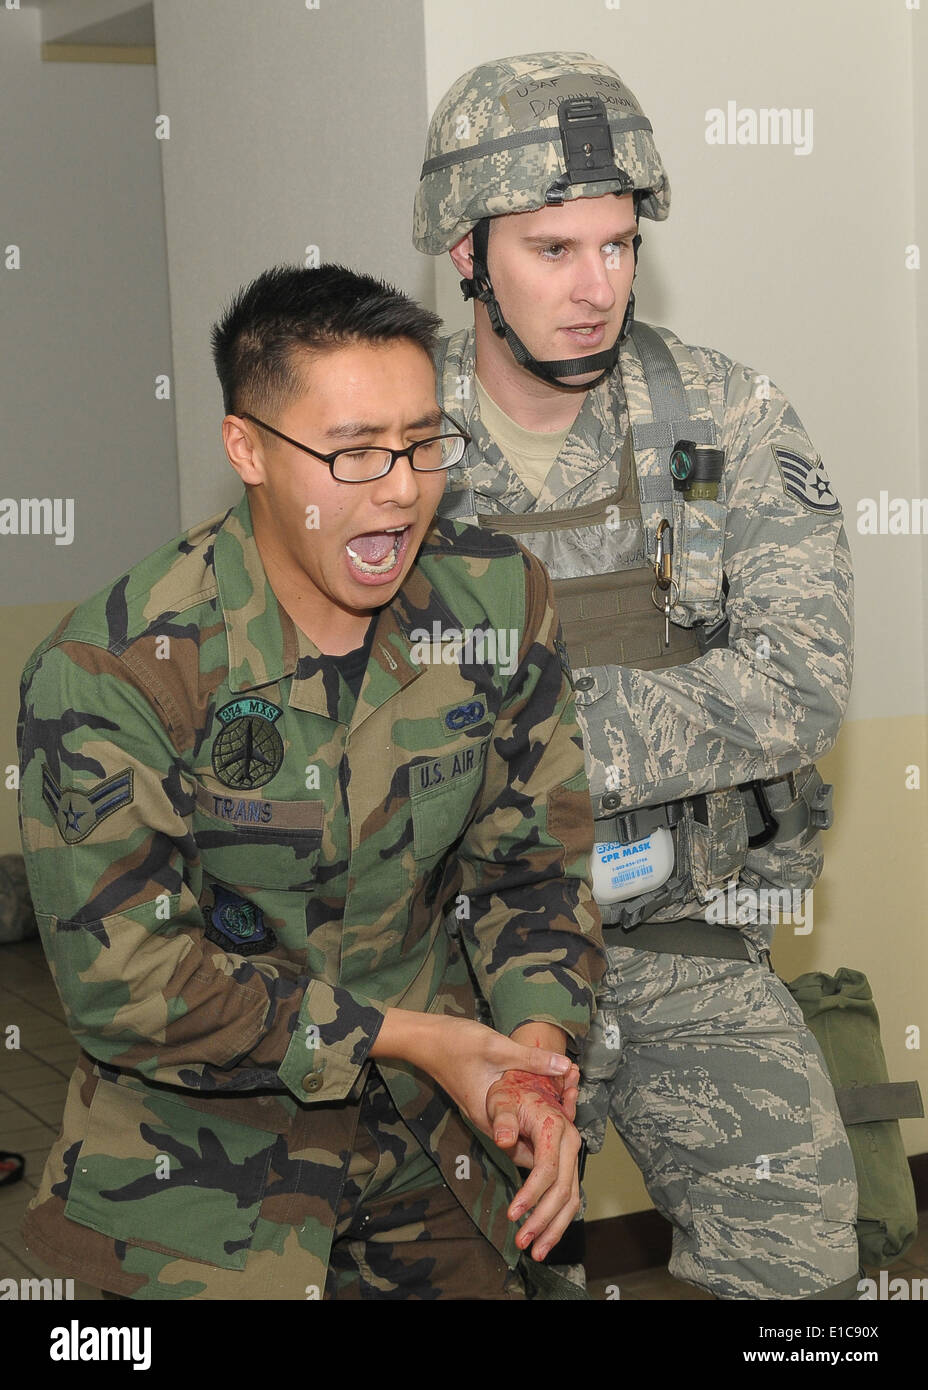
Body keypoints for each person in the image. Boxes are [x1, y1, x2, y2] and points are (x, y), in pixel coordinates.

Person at [16, 264, 605, 1301]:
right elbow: (129, 982)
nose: (398, 487)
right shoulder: (116, 668)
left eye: (424, 444)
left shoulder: (495, 603)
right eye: (352, 452)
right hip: (200, 1174)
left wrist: (529, 1067)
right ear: (246, 446)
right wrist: (411, 1039)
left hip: (442, 1153)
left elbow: (532, 875)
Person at [413, 52, 860, 1299]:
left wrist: (534, 730)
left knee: (810, 1270)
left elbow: (797, 684)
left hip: (682, 938)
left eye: (617, 244)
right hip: (458, 963)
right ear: (466, 253)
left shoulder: (728, 415)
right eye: (553, 250)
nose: (596, 286)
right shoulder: (392, 438)